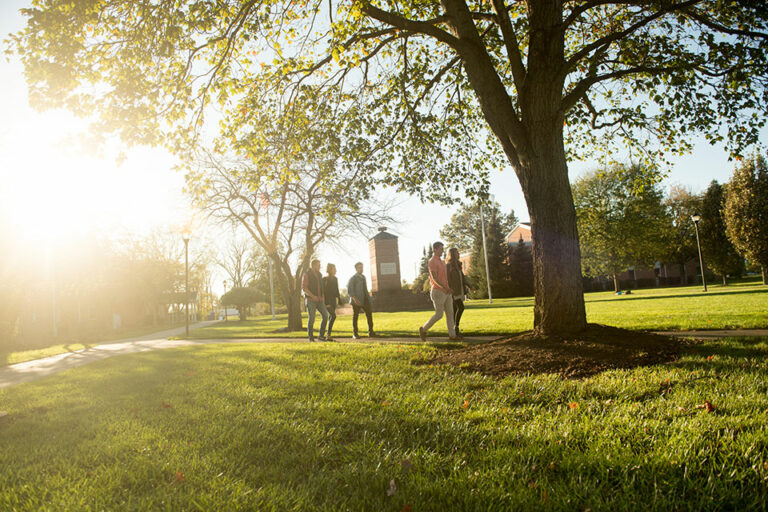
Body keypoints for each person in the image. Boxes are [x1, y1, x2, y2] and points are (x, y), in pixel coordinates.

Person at [419, 241, 459, 341]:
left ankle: (452, 336)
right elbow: (435, 278)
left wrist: (448, 288)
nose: (442, 251)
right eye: (441, 249)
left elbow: (445, 277)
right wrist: (445, 287)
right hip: (438, 291)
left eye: (442, 249)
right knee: (439, 314)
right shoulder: (432, 261)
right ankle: (423, 329)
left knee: (450, 314)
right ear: (435, 249)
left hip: (447, 292)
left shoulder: (442, 262)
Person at [347, 262, 378, 339]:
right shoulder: (353, 278)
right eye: (359, 267)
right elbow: (350, 290)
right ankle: (355, 333)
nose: (361, 269)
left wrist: (369, 298)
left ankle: (371, 332)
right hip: (356, 300)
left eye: (362, 267)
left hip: (365, 300)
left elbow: (365, 289)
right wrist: (355, 299)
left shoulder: (363, 277)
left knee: (369, 315)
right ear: (356, 269)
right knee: (355, 316)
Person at [302, 259, 328, 342]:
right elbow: (304, 288)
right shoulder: (307, 274)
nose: (319, 267)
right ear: (313, 266)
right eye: (318, 265)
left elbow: (321, 286)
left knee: (325, 316)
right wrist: (313, 296)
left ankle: (321, 336)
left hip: (320, 300)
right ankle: (311, 338)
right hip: (311, 300)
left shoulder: (320, 275)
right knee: (312, 319)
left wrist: (322, 296)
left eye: (320, 265)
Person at [446, 247, 468, 338]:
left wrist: (470, 286)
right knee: (461, 307)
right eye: (457, 252)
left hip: (459, 290)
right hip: (453, 291)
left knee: (455, 309)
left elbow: (463, 277)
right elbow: (447, 279)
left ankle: (454, 331)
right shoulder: (448, 266)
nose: (458, 254)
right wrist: (449, 289)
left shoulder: (458, 265)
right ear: (452, 254)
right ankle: (455, 329)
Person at [323, 263, 341, 341]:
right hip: (328, 301)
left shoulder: (335, 279)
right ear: (330, 269)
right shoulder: (324, 279)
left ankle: (327, 335)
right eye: (334, 268)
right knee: (333, 316)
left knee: (331, 317)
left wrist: (339, 300)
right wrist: (326, 303)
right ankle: (327, 334)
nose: (335, 270)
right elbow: (324, 292)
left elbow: (337, 290)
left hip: (333, 300)